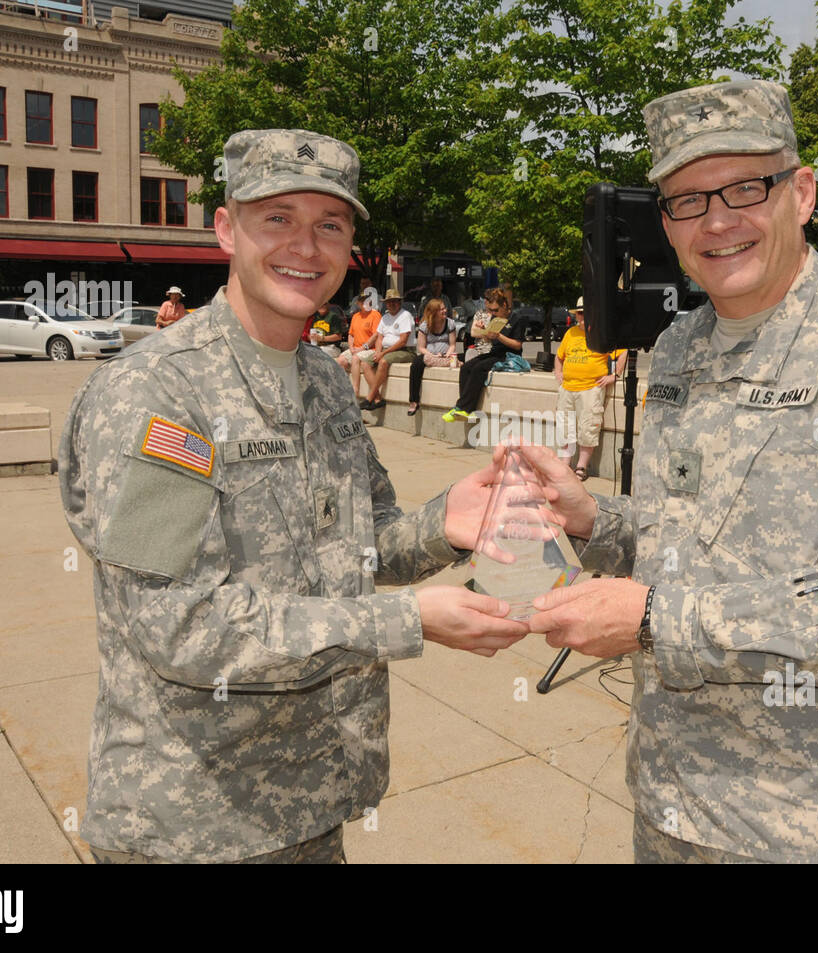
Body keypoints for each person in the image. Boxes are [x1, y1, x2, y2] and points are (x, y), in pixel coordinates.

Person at [524, 79, 818, 863]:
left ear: (802, 193)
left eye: (747, 187)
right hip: (676, 806)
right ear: (665, 223)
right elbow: (692, 539)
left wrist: (655, 619)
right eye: (687, 199)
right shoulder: (680, 344)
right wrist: (592, 521)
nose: (717, 220)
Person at [58, 129, 531, 864]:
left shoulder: (321, 381)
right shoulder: (156, 394)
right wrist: (405, 620)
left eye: (330, 225)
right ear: (226, 227)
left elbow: (364, 544)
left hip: (310, 803)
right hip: (195, 824)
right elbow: (182, 627)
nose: (305, 247)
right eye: (277, 217)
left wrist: (447, 524)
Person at [553, 297, 626, 480]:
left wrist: (614, 375)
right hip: (568, 388)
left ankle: (581, 467)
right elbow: (559, 356)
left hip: (590, 389)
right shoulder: (570, 333)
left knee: (588, 429)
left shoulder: (601, 333)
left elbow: (623, 352)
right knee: (565, 428)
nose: (583, 316)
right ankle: (564, 466)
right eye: (580, 313)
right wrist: (558, 372)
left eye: (587, 313)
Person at [441, 288, 525, 422]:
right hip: (494, 352)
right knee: (466, 367)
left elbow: (517, 345)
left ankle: (464, 407)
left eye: (495, 310)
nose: (493, 313)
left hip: (509, 355)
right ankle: (464, 408)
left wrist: (498, 336)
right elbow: (487, 339)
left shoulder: (517, 319)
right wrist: (485, 333)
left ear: (504, 305)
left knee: (478, 369)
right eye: (490, 310)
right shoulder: (493, 317)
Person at [358, 288, 415, 410]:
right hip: (385, 350)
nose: (391, 304)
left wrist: (383, 353)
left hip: (405, 350)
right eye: (389, 302)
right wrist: (378, 352)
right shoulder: (385, 317)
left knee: (383, 362)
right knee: (365, 363)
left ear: (399, 302)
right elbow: (379, 337)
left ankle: (369, 398)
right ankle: (378, 398)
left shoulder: (405, 315)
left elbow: (403, 341)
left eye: (394, 301)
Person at [407, 298, 458, 415]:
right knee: (415, 365)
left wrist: (446, 355)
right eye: (441, 309)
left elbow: (452, 345)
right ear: (434, 312)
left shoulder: (450, 323)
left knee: (453, 359)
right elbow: (421, 347)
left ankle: (443, 361)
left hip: (445, 356)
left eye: (445, 308)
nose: (445, 311)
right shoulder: (424, 326)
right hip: (428, 356)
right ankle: (413, 401)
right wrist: (433, 356)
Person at [337, 296, 382, 399]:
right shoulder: (356, 316)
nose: (366, 303)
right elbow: (351, 334)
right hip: (356, 347)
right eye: (362, 301)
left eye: (367, 300)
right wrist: (351, 347)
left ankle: (355, 389)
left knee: (355, 358)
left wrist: (363, 347)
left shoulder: (375, 315)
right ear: (358, 303)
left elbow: (376, 335)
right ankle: (341, 390)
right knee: (340, 360)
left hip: (371, 349)